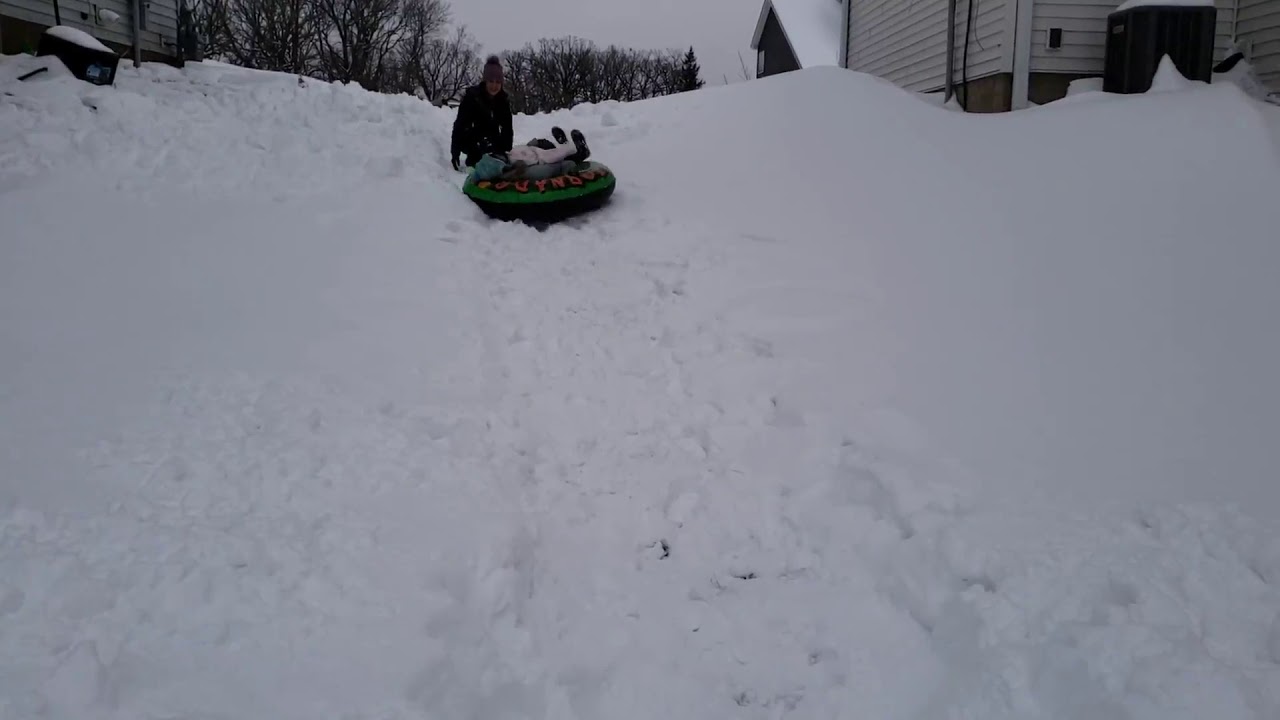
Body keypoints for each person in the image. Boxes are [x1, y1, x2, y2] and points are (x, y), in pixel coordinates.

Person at [451, 56, 514, 171]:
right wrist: (455, 153)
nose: (494, 86)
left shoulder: (503, 100)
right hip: (473, 139)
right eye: (491, 81)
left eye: (498, 82)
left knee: (498, 161)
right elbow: (460, 125)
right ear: (485, 81)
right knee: (476, 160)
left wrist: (506, 151)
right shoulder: (472, 97)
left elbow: (507, 127)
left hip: (492, 139)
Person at [472, 127, 591, 182]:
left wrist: (533, 144)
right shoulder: (513, 170)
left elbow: (520, 150)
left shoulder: (508, 155)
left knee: (544, 145)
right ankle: (577, 153)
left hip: (533, 151)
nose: (499, 156)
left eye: (495, 155)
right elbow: (524, 168)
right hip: (540, 159)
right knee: (555, 157)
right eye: (498, 158)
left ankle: (561, 145)